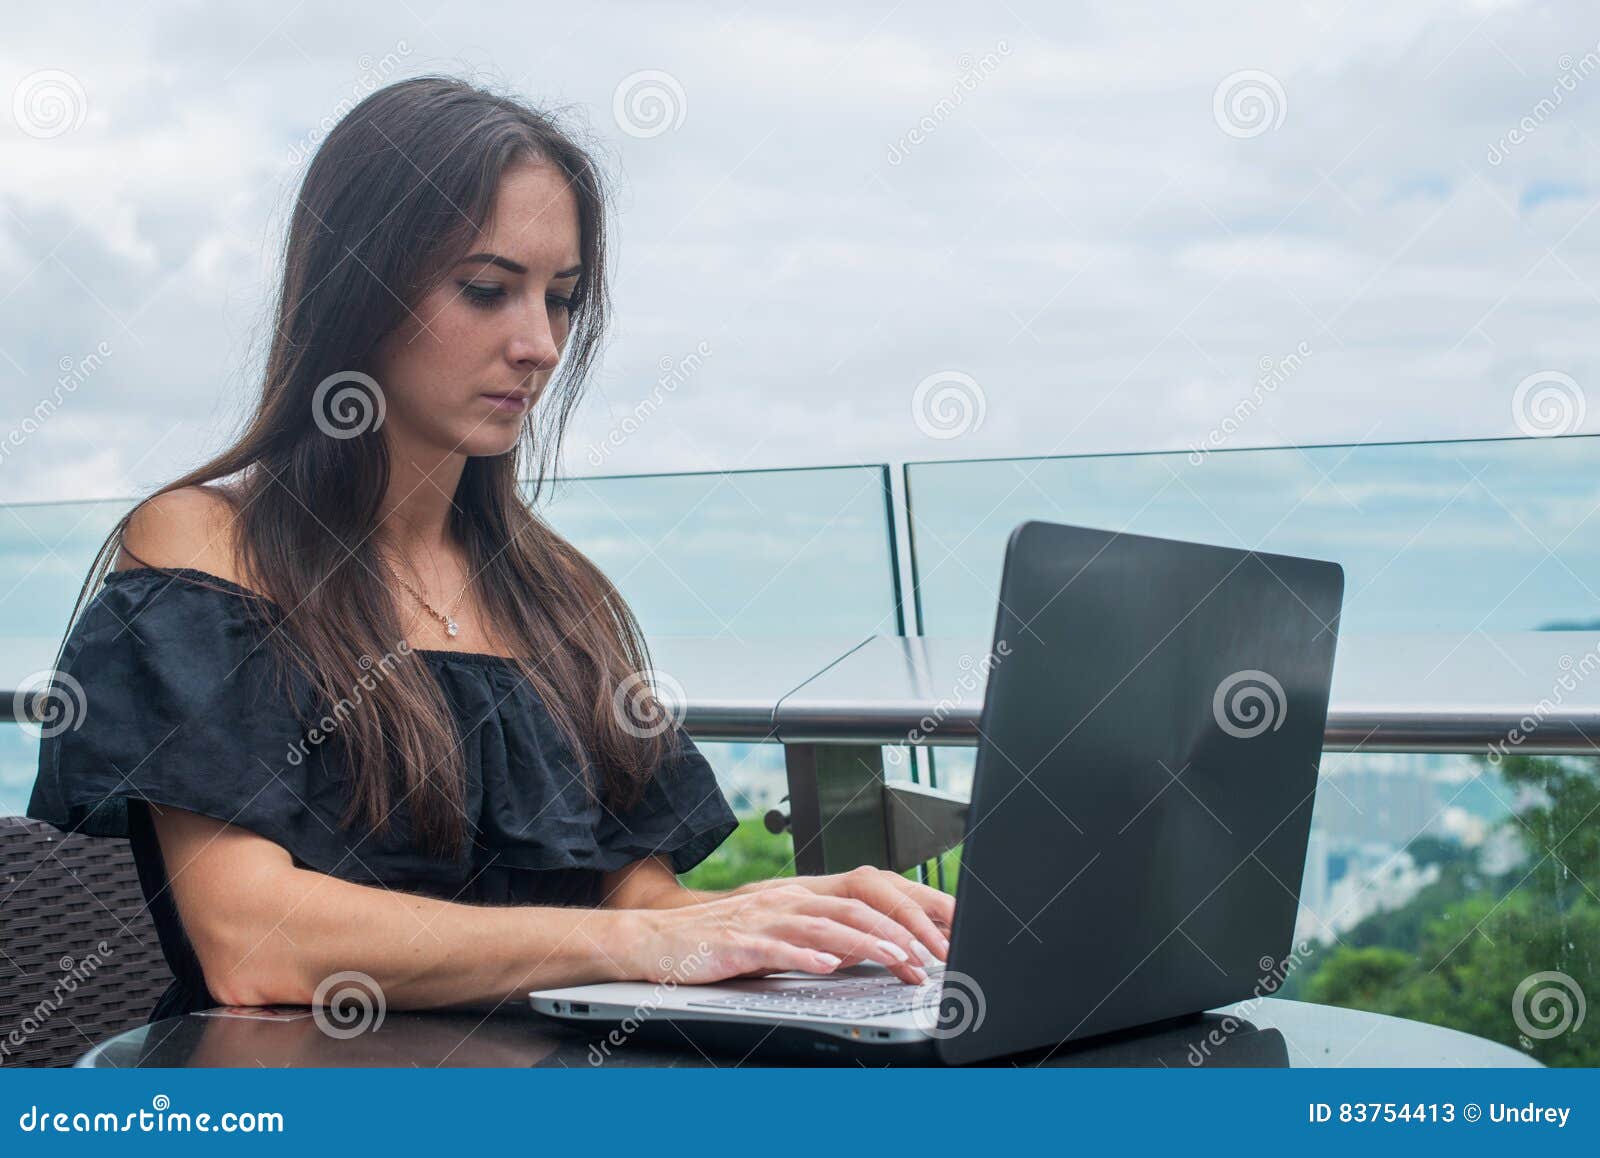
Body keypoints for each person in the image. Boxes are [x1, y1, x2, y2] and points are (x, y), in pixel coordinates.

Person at [26, 75, 951, 1023]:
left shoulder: (555, 594)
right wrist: (636, 941)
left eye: (561, 298)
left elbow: (646, 911)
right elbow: (255, 945)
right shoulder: (204, 544)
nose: (541, 343)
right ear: (356, 291)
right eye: (486, 289)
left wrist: (807, 924)